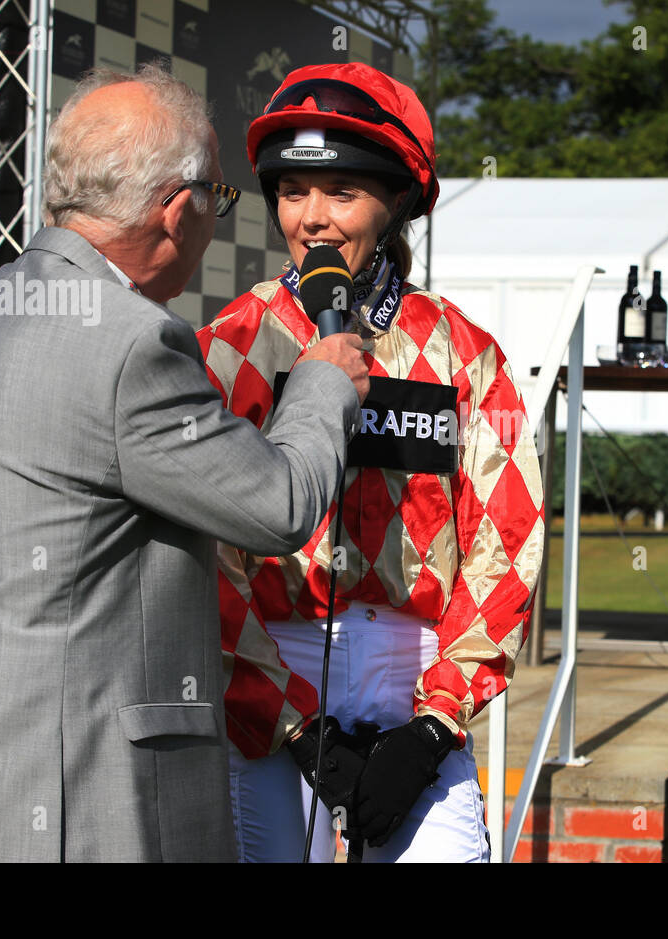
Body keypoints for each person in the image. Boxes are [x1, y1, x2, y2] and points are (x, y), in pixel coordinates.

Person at [0, 63, 370, 862]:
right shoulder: (135, 343)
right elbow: (276, 504)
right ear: (179, 209)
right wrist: (321, 382)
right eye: (220, 198)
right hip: (87, 815)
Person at [198, 62, 545, 862]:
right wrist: (288, 719)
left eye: (342, 193)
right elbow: (200, 550)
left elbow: (509, 540)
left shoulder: (465, 353)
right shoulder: (231, 345)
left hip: (417, 678)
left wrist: (432, 726)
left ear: (396, 205)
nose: (312, 218)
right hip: (270, 675)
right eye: (293, 192)